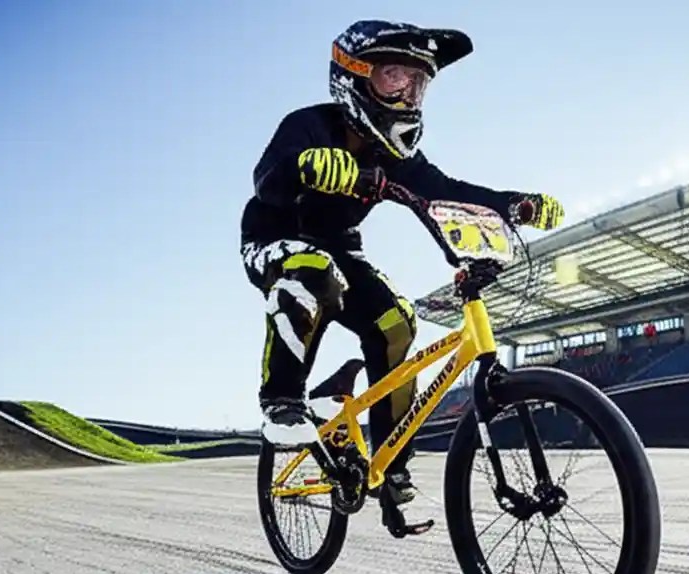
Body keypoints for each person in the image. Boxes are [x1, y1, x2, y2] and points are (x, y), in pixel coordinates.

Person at [239, 19, 565, 506]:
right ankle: (282, 399)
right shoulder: (307, 124)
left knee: (397, 322)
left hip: (343, 252)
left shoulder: (392, 154)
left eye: (418, 84)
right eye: (395, 77)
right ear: (354, 75)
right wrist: (306, 166)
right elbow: (267, 180)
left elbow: (447, 192)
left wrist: (512, 203)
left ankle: (389, 465)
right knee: (313, 272)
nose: (408, 94)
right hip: (275, 241)